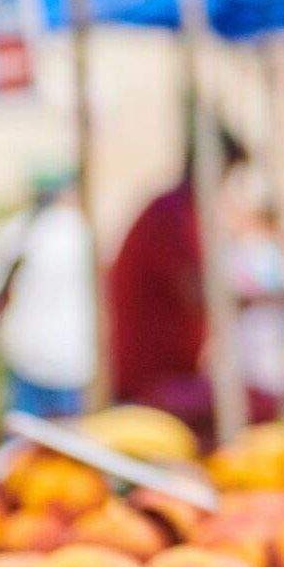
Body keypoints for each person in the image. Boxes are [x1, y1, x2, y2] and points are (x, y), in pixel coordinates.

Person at [107, 136, 242, 405]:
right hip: (152, 379)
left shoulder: (184, 212)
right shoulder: (170, 214)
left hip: (171, 373)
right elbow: (195, 291)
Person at [0, 173, 95, 418]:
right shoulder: (82, 230)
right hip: (73, 360)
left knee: (24, 447)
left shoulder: (17, 229)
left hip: (28, 356)